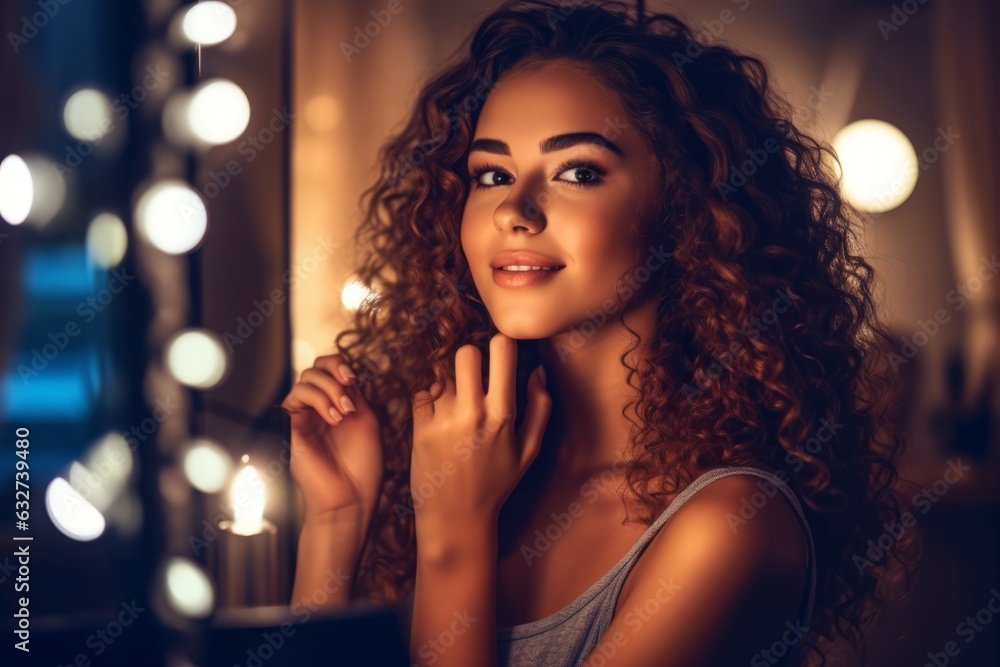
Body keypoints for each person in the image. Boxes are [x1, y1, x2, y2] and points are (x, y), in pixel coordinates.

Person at [279, 1, 918, 665]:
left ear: (688, 207)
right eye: (491, 174)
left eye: (578, 172)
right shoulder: (467, 463)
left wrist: (454, 534)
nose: (513, 212)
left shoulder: (731, 525)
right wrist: (336, 521)